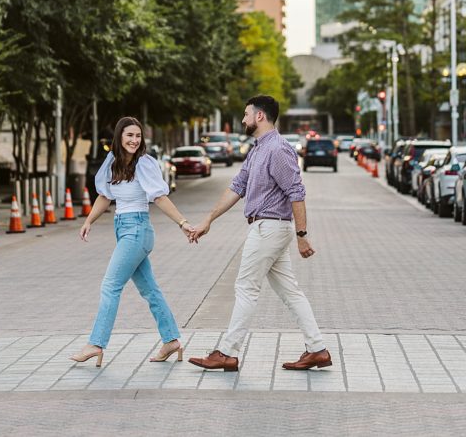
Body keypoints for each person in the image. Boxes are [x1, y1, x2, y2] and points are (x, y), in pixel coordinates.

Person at [187, 95, 330, 373]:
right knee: (290, 292)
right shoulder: (257, 149)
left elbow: (296, 193)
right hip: (266, 227)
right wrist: (208, 220)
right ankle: (317, 350)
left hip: (270, 227)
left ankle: (227, 352)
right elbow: (236, 187)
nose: (243, 120)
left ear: (260, 116)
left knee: (245, 287)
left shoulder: (278, 149)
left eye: (246, 114)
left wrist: (302, 234)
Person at [69, 117, 196, 367]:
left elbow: (159, 198)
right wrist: (89, 221)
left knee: (110, 286)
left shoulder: (144, 164)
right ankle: (171, 340)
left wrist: (182, 223)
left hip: (137, 230)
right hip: (123, 228)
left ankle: (96, 344)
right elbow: (105, 196)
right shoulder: (113, 163)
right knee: (149, 290)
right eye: (129, 135)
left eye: (138, 136)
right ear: (119, 137)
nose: (134, 140)